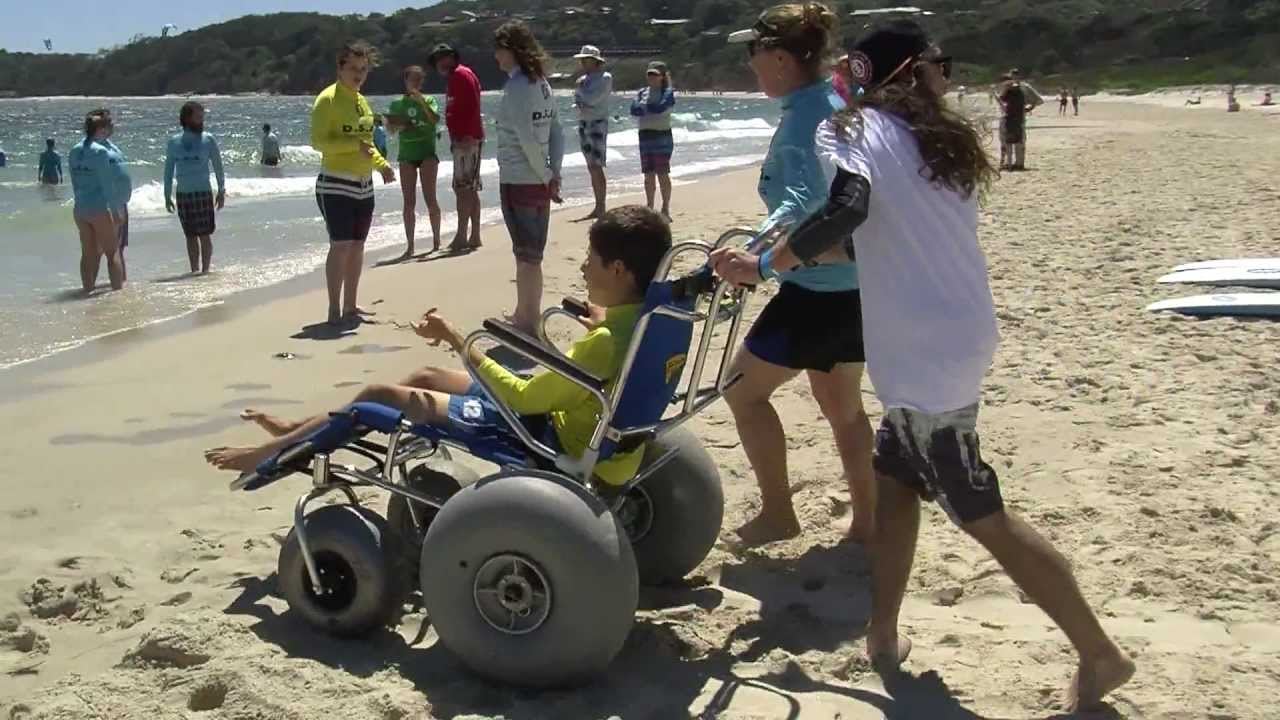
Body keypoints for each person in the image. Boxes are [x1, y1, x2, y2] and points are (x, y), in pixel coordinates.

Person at [711, 20, 1136, 711]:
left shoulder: (848, 131)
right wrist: (789, 257)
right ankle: (882, 635)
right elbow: (872, 241)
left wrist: (762, 265)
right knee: (896, 482)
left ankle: (1100, 653)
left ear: (861, 72)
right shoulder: (940, 140)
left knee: (980, 511)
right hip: (952, 331)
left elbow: (845, 212)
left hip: (925, 352)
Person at [207, 205, 671, 492]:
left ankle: (270, 453)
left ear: (620, 271)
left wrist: (459, 340)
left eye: (592, 262)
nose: (585, 270)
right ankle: (298, 430)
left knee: (378, 395)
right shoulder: (649, 322)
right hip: (590, 427)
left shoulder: (606, 345)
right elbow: (598, 354)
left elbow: (525, 398)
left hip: (549, 435)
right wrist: (600, 318)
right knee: (424, 377)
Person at [721, 2, 875, 545]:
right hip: (856, 287)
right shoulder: (836, 98)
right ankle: (869, 522)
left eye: (754, 53)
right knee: (845, 409)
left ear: (781, 58)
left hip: (813, 291)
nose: (751, 65)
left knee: (740, 392)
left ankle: (779, 514)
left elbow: (805, 209)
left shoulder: (802, 122)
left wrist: (755, 260)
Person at [311, 41, 397, 326]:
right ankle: (333, 309)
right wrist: (351, 145)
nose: (359, 75)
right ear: (340, 68)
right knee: (341, 245)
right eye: (353, 69)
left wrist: (383, 166)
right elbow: (318, 142)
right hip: (335, 184)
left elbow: (367, 144)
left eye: (363, 69)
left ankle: (350, 305)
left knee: (358, 246)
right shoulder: (328, 99)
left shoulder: (362, 101)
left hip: (364, 185)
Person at [493, 20, 565, 335]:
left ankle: (528, 320)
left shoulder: (517, 86)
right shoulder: (543, 84)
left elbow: (525, 139)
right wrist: (554, 172)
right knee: (532, 253)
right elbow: (557, 131)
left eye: (499, 49)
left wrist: (548, 175)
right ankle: (525, 312)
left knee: (526, 256)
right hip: (538, 180)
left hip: (520, 180)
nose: (496, 57)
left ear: (512, 50)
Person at [430, 44, 485, 252]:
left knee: (462, 188)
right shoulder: (456, 77)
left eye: (444, 58)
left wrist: (467, 136)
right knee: (469, 188)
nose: (441, 63)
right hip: (465, 139)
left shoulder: (461, 75)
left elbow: (472, 105)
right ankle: (474, 235)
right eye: (437, 60)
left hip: (467, 140)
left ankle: (463, 235)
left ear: (453, 57)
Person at [386, 65, 443, 259]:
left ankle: (436, 241)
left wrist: (422, 102)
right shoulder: (397, 104)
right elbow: (391, 130)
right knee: (408, 202)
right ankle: (410, 246)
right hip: (407, 154)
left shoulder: (429, 100)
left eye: (420, 80)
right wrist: (395, 125)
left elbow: (435, 120)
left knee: (430, 198)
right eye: (413, 80)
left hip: (427, 153)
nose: (416, 84)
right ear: (406, 81)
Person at [163, 101, 226, 275]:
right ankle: (194, 271)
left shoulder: (208, 139)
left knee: (204, 234)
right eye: (198, 116)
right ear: (187, 118)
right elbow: (168, 171)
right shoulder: (174, 142)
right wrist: (167, 195)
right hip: (183, 194)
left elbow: (218, 166)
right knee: (190, 236)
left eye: (202, 116)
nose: (202, 119)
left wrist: (221, 190)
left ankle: (205, 271)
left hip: (203, 193)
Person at [68, 109, 125, 293]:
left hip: (80, 209)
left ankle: (87, 291)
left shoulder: (74, 150)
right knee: (112, 252)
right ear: (99, 129)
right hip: (100, 208)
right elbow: (107, 185)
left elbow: (74, 181)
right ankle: (117, 295)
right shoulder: (101, 152)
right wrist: (116, 210)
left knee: (88, 254)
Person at [631, 61, 676, 219]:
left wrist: (645, 108)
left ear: (662, 76)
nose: (651, 77)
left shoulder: (668, 92)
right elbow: (634, 109)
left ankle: (665, 208)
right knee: (648, 174)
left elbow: (661, 108)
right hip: (645, 135)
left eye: (655, 75)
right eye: (649, 74)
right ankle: (649, 206)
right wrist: (647, 108)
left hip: (661, 136)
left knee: (662, 173)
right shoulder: (642, 92)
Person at [573, 44, 613, 220]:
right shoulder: (583, 80)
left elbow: (592, 99)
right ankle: (598, 205)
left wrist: (582, 94)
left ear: (595, 61)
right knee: (591, 166)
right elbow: (580, 102)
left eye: (585, 59)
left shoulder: (605, 78)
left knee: (597, 165)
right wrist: (583, 97)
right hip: (584, 123)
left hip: (597, 123)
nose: (582, 62)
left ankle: (601, 206)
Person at [99, 112, 133, 282]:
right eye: (109, 123)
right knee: (107, 249)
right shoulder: (95, 149)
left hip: (121, 203)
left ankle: (121, 286)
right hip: (107, 205)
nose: (113, 126)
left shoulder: (112, 146)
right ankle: (95, 290)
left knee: (120, 248)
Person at [997, 72, 1029, 170]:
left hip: (1009, 119)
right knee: (1015, 141)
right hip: (1017, 119)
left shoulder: (1012, 91)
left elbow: (1003, 101)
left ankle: (1008, 164)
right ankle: (1014, 164)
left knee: (1008, 142)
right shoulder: (1018, 91)